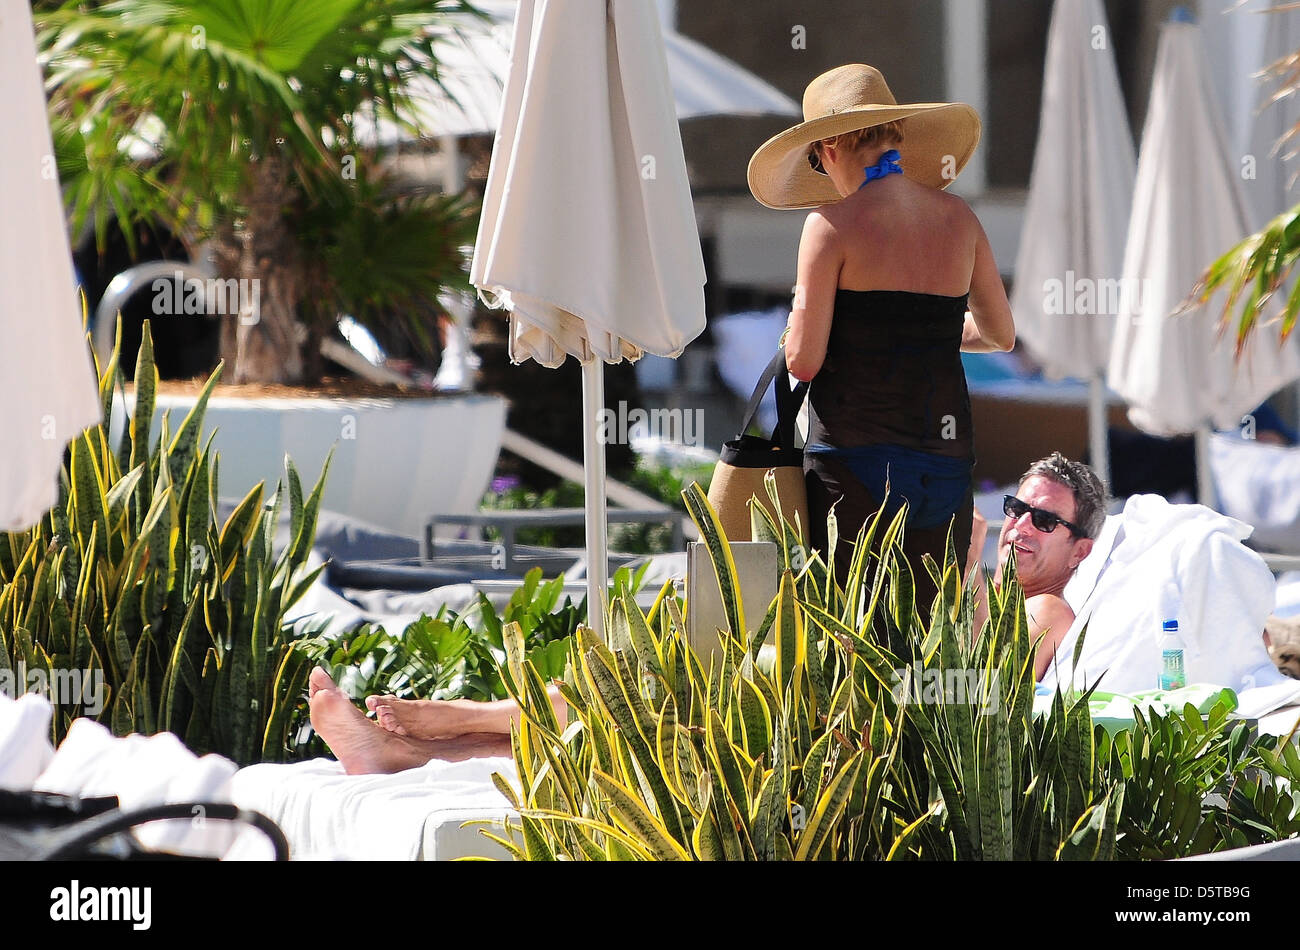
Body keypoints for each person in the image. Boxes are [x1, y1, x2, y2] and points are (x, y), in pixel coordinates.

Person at [746, 64, 1015, 606]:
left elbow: (802, 359)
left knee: (855, 643)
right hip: (945, 460)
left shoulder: (829, 226)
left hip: (855, 462)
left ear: (829, 150)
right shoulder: (960, 218)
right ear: (896, 137)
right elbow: (1000, 334)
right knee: (926, 634)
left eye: (818, 163)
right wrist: (927, 333)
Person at [971, 452, 1106, 680]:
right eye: (1016, 508)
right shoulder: (981, 594)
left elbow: (987, 689)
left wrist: (967, 566)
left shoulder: (1050, 610)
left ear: (1079, 552)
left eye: (1045, 520)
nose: (1021, 526)